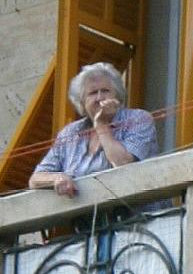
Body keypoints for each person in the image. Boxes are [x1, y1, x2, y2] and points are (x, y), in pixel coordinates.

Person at [29, 61, 159, 188]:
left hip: (134, 208)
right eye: (92, 93)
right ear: (81, 102)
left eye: (105, 91)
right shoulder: (70, 132)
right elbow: (35, 179)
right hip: (84, 209)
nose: (99, 98)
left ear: (117, 96)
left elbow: (123, 164)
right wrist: (58, 178)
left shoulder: (138, 119)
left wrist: (102, 125)